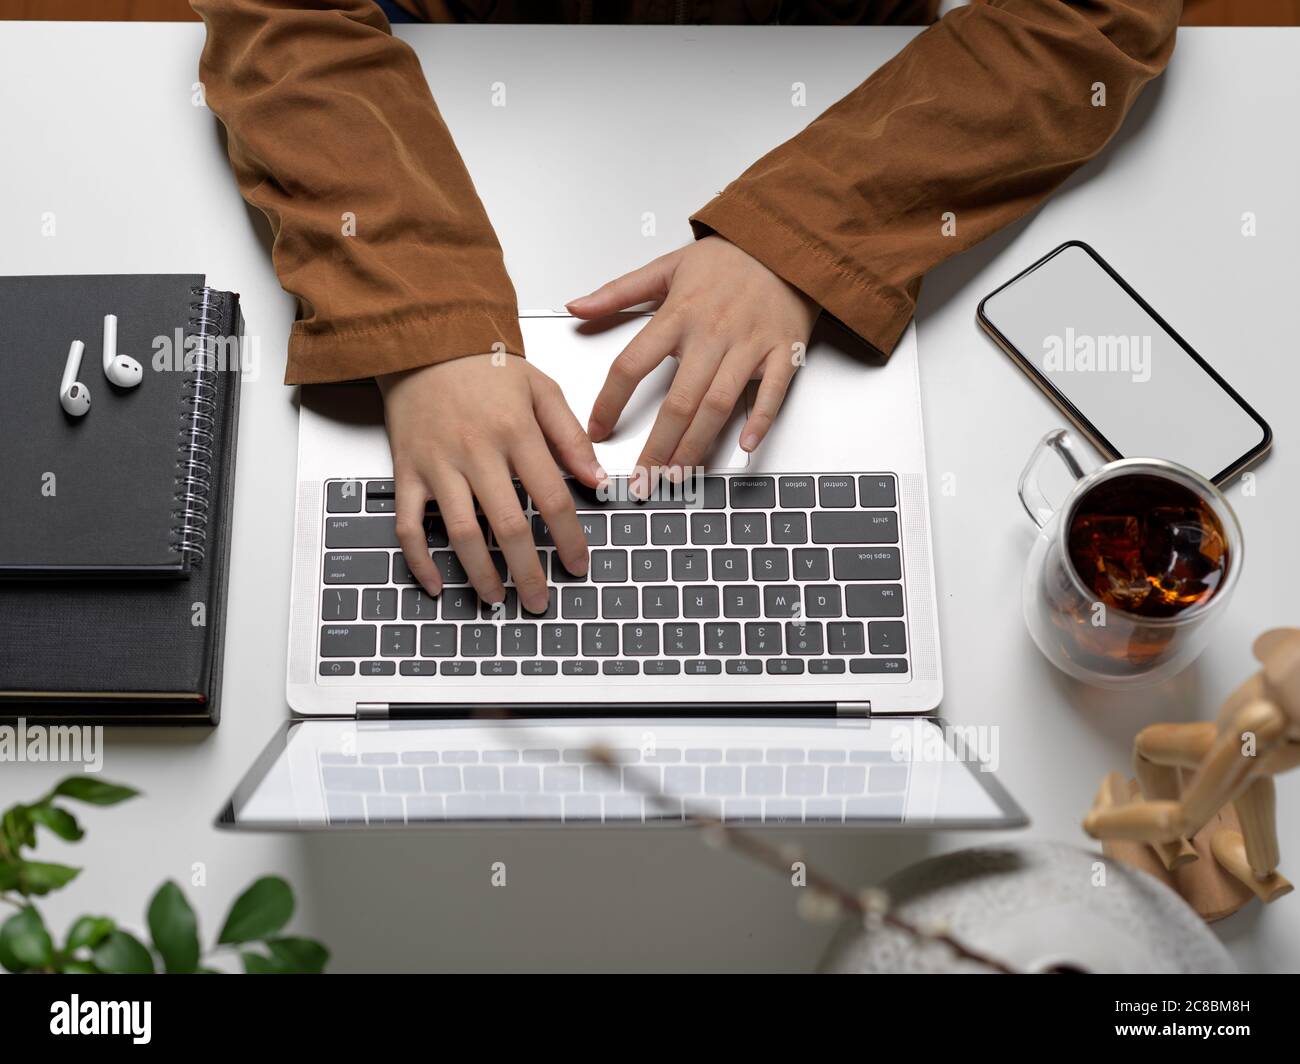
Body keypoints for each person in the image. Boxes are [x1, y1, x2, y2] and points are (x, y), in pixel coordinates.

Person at [193, 0, 1181, 616]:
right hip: (452, 72)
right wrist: (422, 319)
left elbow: (1096, 12)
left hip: (844, 75)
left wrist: (804, 231)